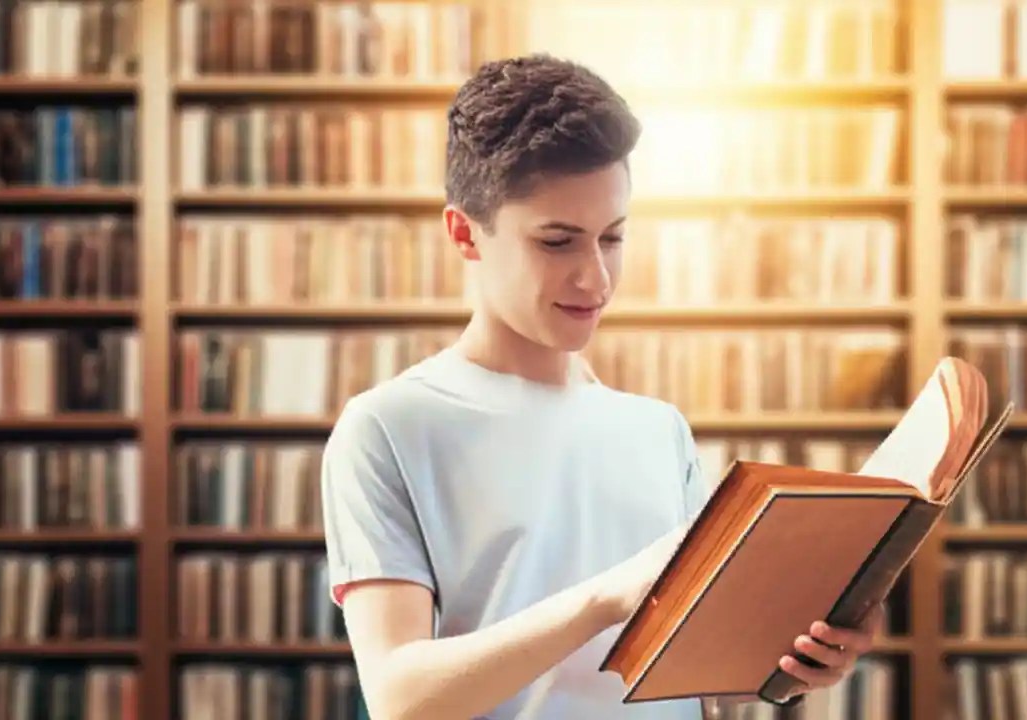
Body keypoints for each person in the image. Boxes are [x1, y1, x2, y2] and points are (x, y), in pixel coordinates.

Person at [320, 53, 885, 720]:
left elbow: (692, 675)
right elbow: (398, 697)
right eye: (557, 243)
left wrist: (801, 657)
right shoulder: (389, 428)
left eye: (612, 239)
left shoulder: (657, 429)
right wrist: (603, 599)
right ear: (465, 233)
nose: (596, 280)